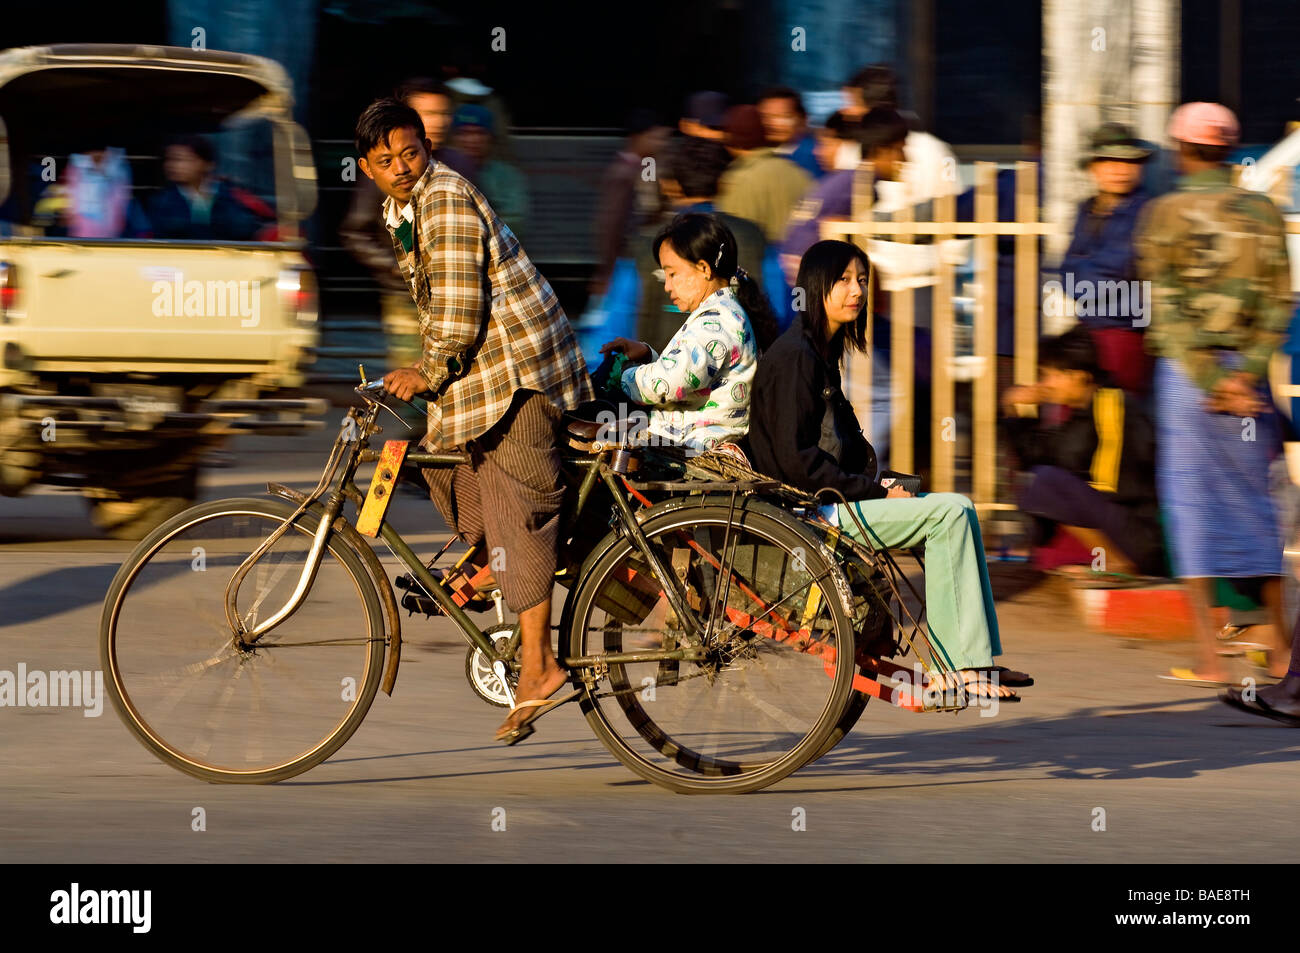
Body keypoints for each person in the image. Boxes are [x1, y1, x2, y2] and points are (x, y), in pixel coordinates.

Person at [354, 98, 593, 743]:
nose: (403, 167)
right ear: (367, 168)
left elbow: (458, 309)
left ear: (426, 148)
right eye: (387, 160)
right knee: (452, 475)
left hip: (518, 371)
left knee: (518, 506)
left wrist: (427, 370)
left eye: (412, 152)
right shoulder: (400, 209)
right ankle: (503, 576)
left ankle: (538, 667)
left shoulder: (444, 199)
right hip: (484, 374)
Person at [746, 239, 1029, 699]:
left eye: (862, 280)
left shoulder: (821, 350)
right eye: (843, 280)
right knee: (948, 515)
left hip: (832, 500)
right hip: (811, 514)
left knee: (960, 507)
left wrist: (880, 482)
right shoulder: (797, 355)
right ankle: (955, 666)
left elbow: (830, 448)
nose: (856, 290)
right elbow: (795, 462)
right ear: (816, 285)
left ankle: (978, 660)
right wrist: (873, 494)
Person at [1135, 101, 1294, 684]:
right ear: (1230, 149)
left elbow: (1168, 310)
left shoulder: (1163, 213)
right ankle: (1279, 651)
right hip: (1248, 384)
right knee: (1255, 507)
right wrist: (1244, 372)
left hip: (1187, 379)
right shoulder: (1264, 212)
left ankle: (1210, 654)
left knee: (1192, 509)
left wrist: (1208, 380)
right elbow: (1280, 301)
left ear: (1181, 150)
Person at [598, 213, 778, 452]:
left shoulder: (716, 323)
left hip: (692, 444)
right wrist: (648, 356)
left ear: (704, 269)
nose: (667, 286)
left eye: (672, 274)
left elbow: (666, 384)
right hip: (683, 436)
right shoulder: (718, 313)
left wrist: (624, 374)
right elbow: (690, 374)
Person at [1001, 327, 1165, 577]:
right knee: (1040, 480)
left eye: (1051, 376)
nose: (1045, 385)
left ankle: (1118, 562)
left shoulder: (1112, 403)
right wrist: (1013, 410)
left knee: (1044, 482)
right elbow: (1038, 454)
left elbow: (1113, 486)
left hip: (1138, 533)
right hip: (1120, 522)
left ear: (1079, 376)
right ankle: (1110, 558)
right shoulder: (1081, 412)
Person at [340, 78, 474, 374]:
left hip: (457, 297)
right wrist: (396, 267)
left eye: (442, 114)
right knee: (413, 386)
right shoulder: (386, 168)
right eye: (426, 114)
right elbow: (355, 233)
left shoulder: (459, 165)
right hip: (407, 302)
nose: (436, 122)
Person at [634, 136, 768, 351]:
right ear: (722, 184)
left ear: (670, 186)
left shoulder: (647, 241)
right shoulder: (753, 236)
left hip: (657, 371)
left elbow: (622, 315)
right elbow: (776, 307)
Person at [1059, 123, 1156, 396]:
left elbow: (1121, 267)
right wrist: (1087, 280)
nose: (1120, 170)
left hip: (1126, 334)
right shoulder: (1086, 210)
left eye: (1129, 162)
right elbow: (1066, 273)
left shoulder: (1146, 212)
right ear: (1093, 167)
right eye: (1110, 161)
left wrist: (1085, 279)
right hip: (1088, 332)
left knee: (1116, 413)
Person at [715, 104, 811, 244]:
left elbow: (735, 237)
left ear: (731, 140)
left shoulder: (737, 179)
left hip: (757, 262)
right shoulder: (798, 172)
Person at [148, 135, 262, 241]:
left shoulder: (231, 196)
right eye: (170, 159)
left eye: (181, 159)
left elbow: (244, 231)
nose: (172, 166)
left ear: (207, 164)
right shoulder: (161, 202)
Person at [449, 104, 530, 239]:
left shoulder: (507, 177)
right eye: (464, 133)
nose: (472, 140)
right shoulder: (441, 171)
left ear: (490, 138)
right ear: (453, 138)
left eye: (479, 133)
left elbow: (516, 223)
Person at [757, 86, 822, 179]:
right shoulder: (760, 154)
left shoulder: (817, 156)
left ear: (803, 119)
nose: (772, 123)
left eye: (784, 117)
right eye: (765, 117)